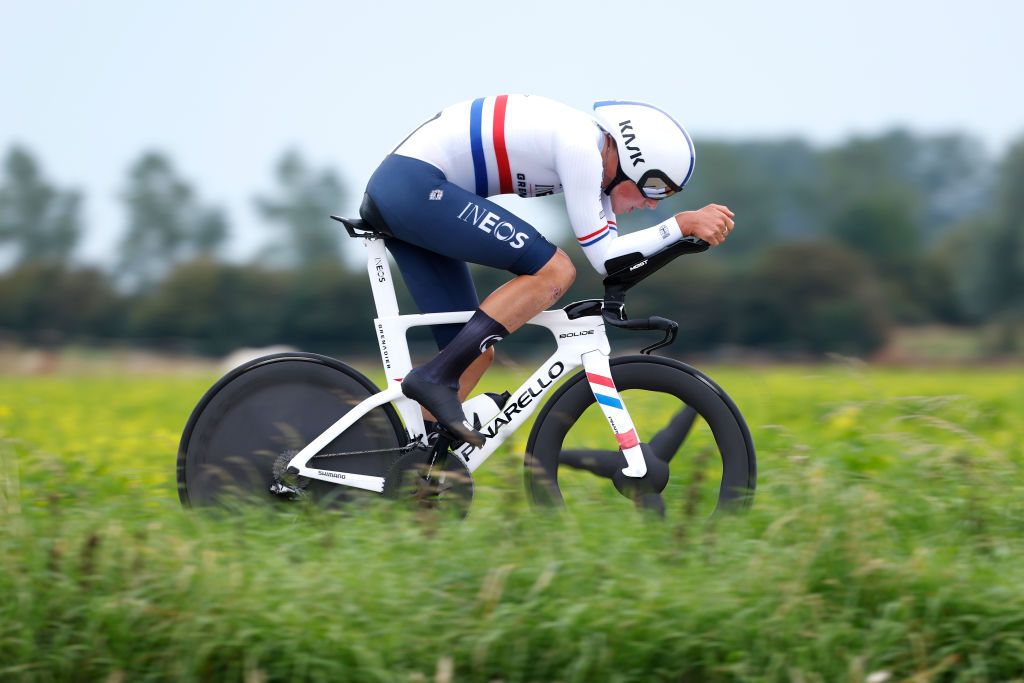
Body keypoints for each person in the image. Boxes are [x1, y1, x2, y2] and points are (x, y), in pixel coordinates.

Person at [361, 95, 735, 447]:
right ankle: (431, 378)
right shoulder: (581, 148)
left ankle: (416, 462)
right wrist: (680, 225)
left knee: (473, 350)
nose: (653, 205)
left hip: (414, 190)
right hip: (414, 187)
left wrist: (678, 241)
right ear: (634, 162)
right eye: (656, 189)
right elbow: (604, 258)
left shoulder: (595, 161)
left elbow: (618, 262)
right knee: (555, 271)